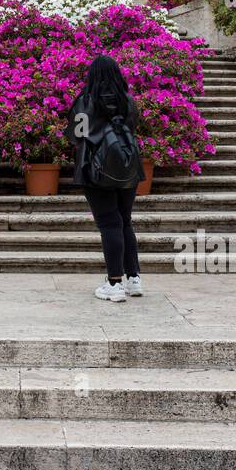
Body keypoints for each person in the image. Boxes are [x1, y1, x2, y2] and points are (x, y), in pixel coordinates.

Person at [68, 55, 144, 304]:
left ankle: (114, 283)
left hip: (97, 170)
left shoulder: (85, 102)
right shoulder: (128, 101)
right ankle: (133, 278)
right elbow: (132, 128)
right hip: (127, 168)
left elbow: (76, 135)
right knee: (124, 222)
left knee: (109, 224)